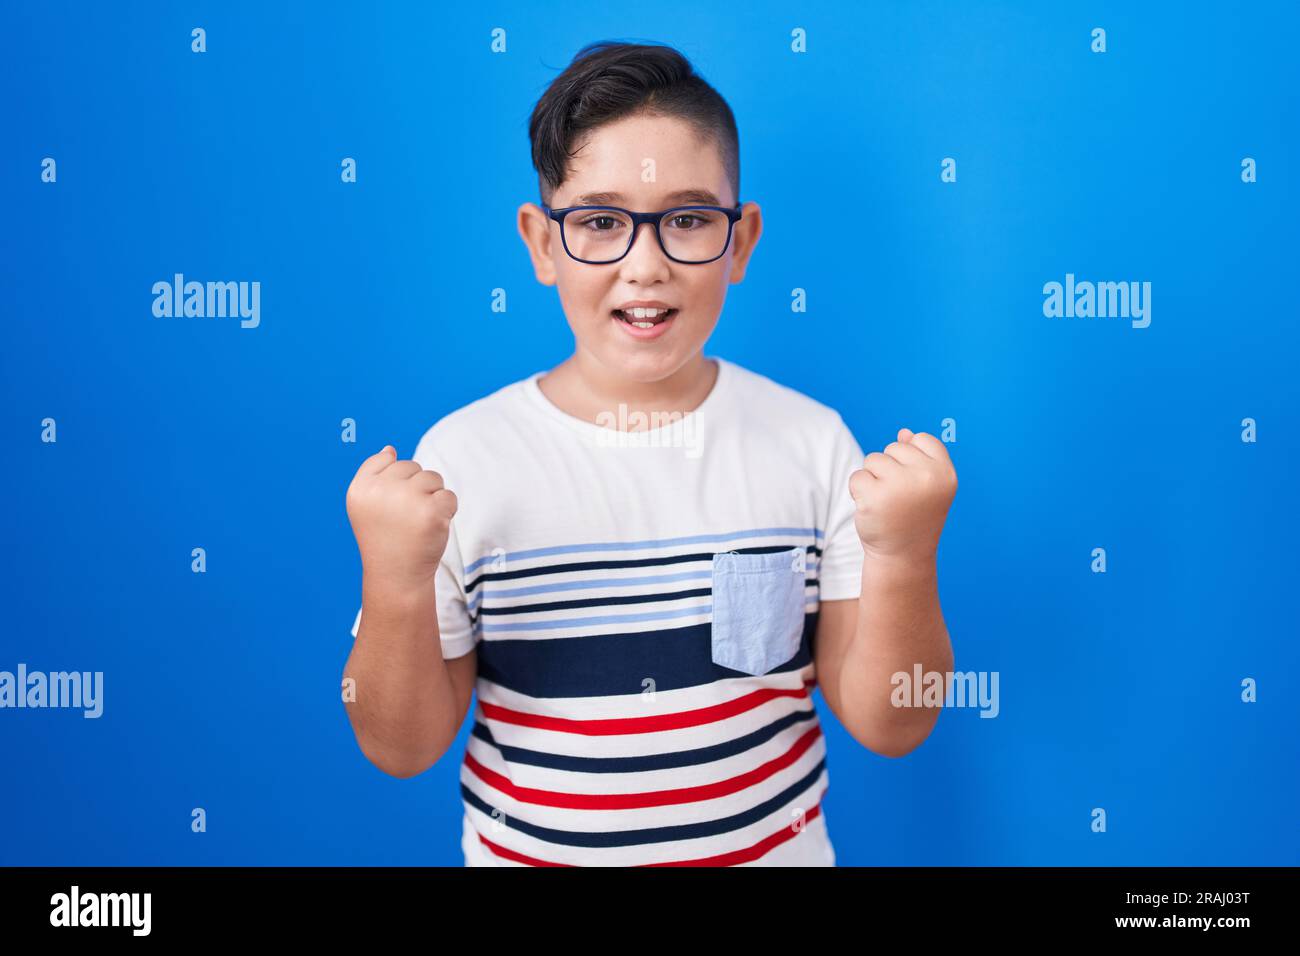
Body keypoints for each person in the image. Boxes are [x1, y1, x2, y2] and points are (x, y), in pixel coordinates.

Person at [342, 40, 957, 866]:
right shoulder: (463, 462)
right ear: (541, 244)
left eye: (689, 220)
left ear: (740, 243)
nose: (645, 266)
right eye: (599, 222)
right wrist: (393, 578)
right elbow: (400, 748)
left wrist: (907, 556)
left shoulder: (813, 446)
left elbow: (894, 723)